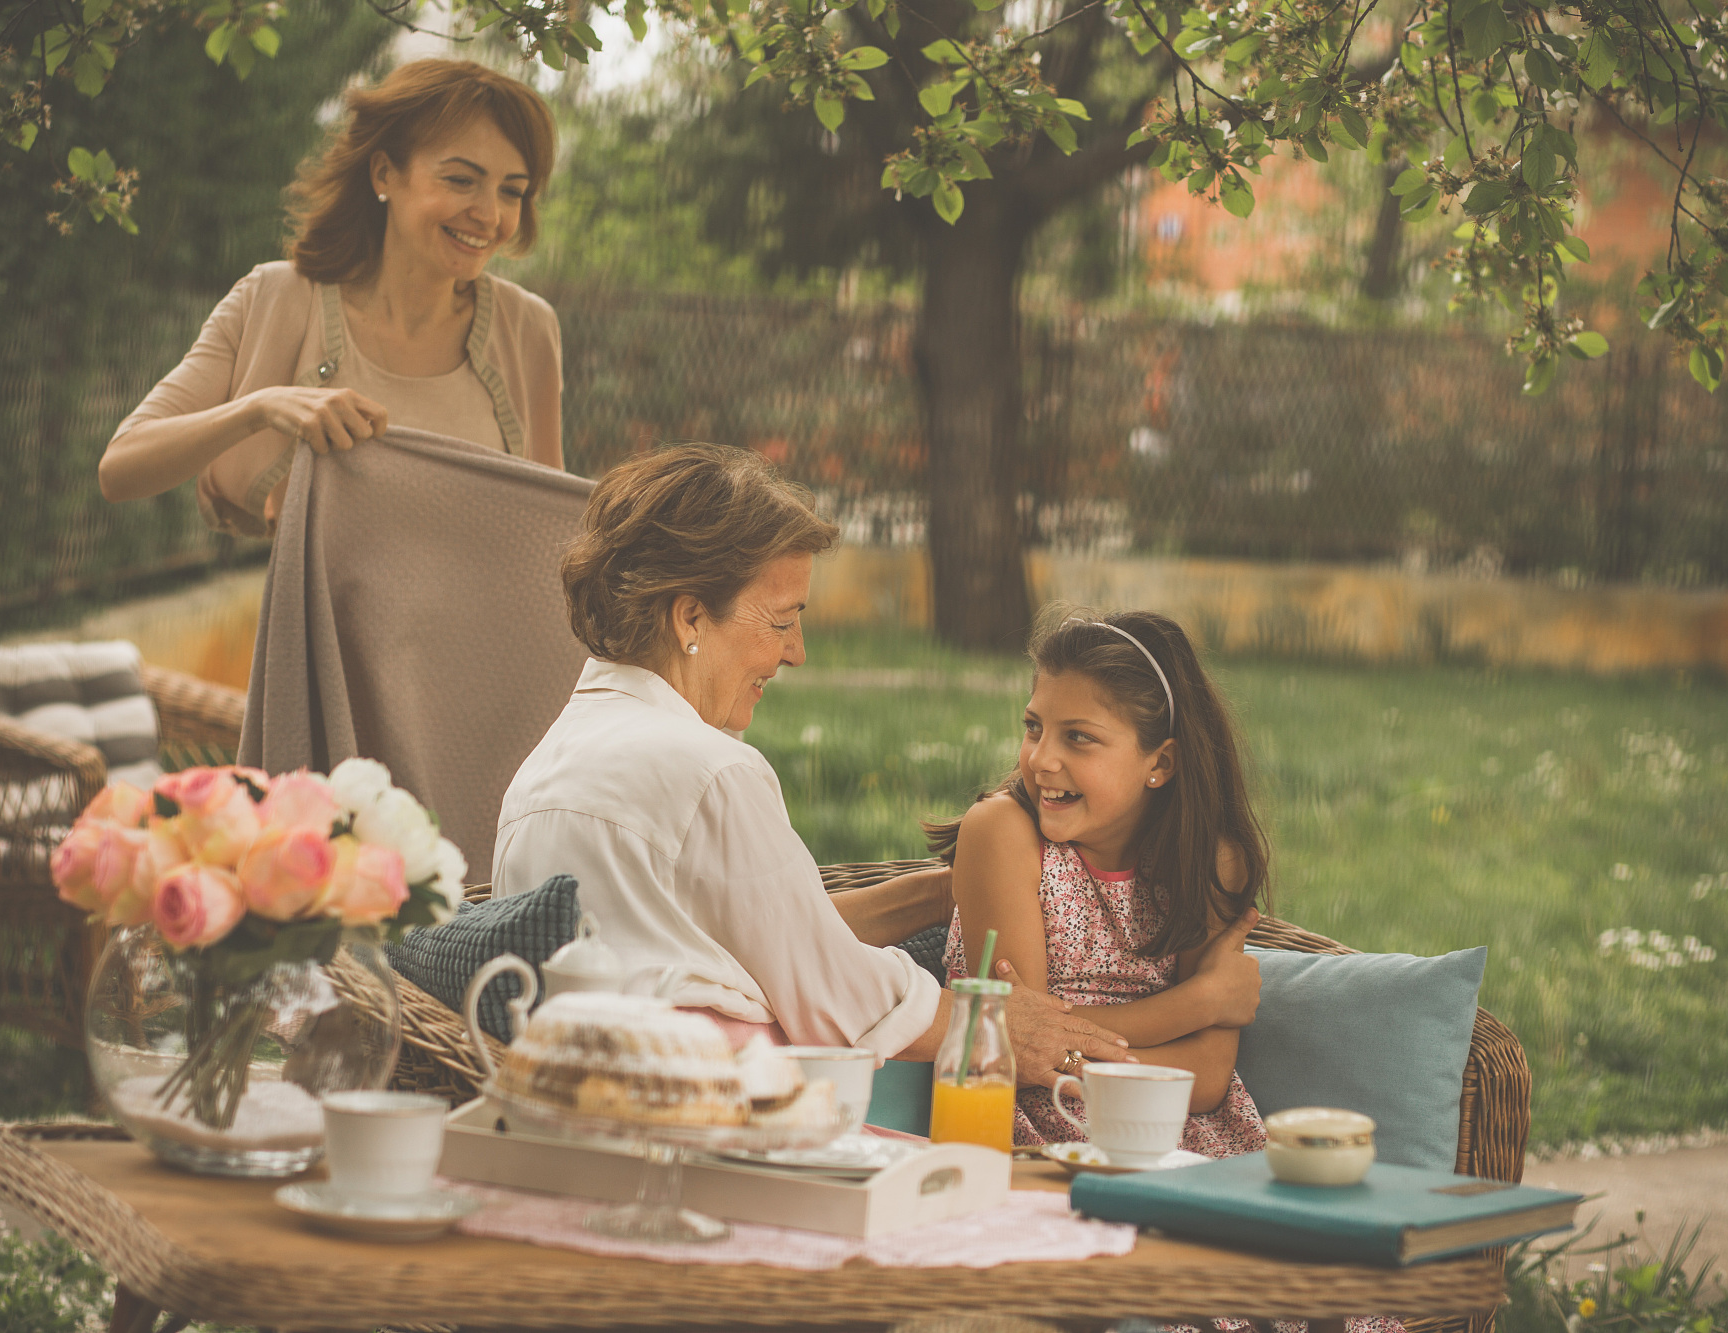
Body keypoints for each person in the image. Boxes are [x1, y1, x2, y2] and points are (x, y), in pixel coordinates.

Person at [490, 443, 1134, 1082]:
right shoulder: (707, 772)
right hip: (707, 1119)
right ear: (690, 616)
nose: (796, 651)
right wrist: (994, 1021)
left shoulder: (544, 768)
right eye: (781, 621)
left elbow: (768, 941)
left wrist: (941, 893)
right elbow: (833, 999)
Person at [98, 58, 564, 535]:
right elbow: (120, 469)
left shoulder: (527, 327)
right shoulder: (277, 299)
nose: (489, 214)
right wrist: (260, 407)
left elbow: (555, 532)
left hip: (483, 612)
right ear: (384, 173)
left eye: (512, 191)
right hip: (319, 612)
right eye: (461, 180)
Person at [927, 610, 1271, 1157]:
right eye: (1033, 726)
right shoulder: (1002, 835)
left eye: (1078, 738)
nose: (1041, 759)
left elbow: (1207, 1077)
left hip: (1177, 1144)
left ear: (1160, 763)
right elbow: (1016, 1044)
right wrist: (1198, 1004)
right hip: (1038, 1138)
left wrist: (1068, 1053)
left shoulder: (1207, 861)